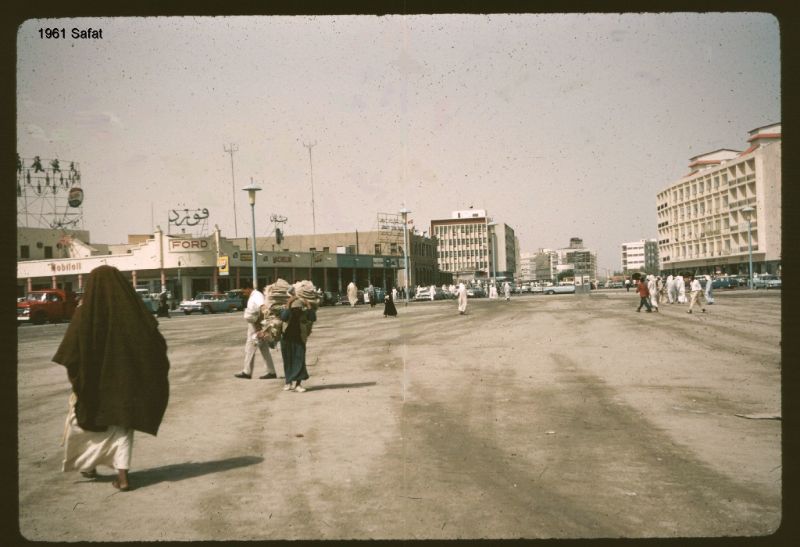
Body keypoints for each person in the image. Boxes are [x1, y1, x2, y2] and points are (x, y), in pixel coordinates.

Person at [52, 265, 170, 492]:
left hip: (95, 385)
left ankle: (88, 464)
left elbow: (70, 353)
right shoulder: (134, 310)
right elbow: (156, 345)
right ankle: (122, 477)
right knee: (123, 428)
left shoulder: (85, 313)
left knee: (84, 422)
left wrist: (78, 380)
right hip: (127, 385)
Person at [235, 284, 278, 380]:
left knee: (250, 347)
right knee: (264, 349)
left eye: (244, 290)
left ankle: (247, 372)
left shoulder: (257, 295)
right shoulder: (253, 296)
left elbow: (263, 308)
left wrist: (261, 327)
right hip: (255, 323)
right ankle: (271, 371)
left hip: (256, 325)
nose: (243, 293)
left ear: (248, 288)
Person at [279, 292, 317, 392]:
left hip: (299, 340)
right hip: (286, 340)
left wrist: (308, 305)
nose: (297, 310)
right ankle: (288, 382)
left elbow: (313, 318)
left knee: (300, 362)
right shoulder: (287, 311)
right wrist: (288, 303)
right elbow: (283, 317)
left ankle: (298, 385)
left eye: (299, 308)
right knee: (288, 361)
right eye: (295, 309)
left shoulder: (303, 313)